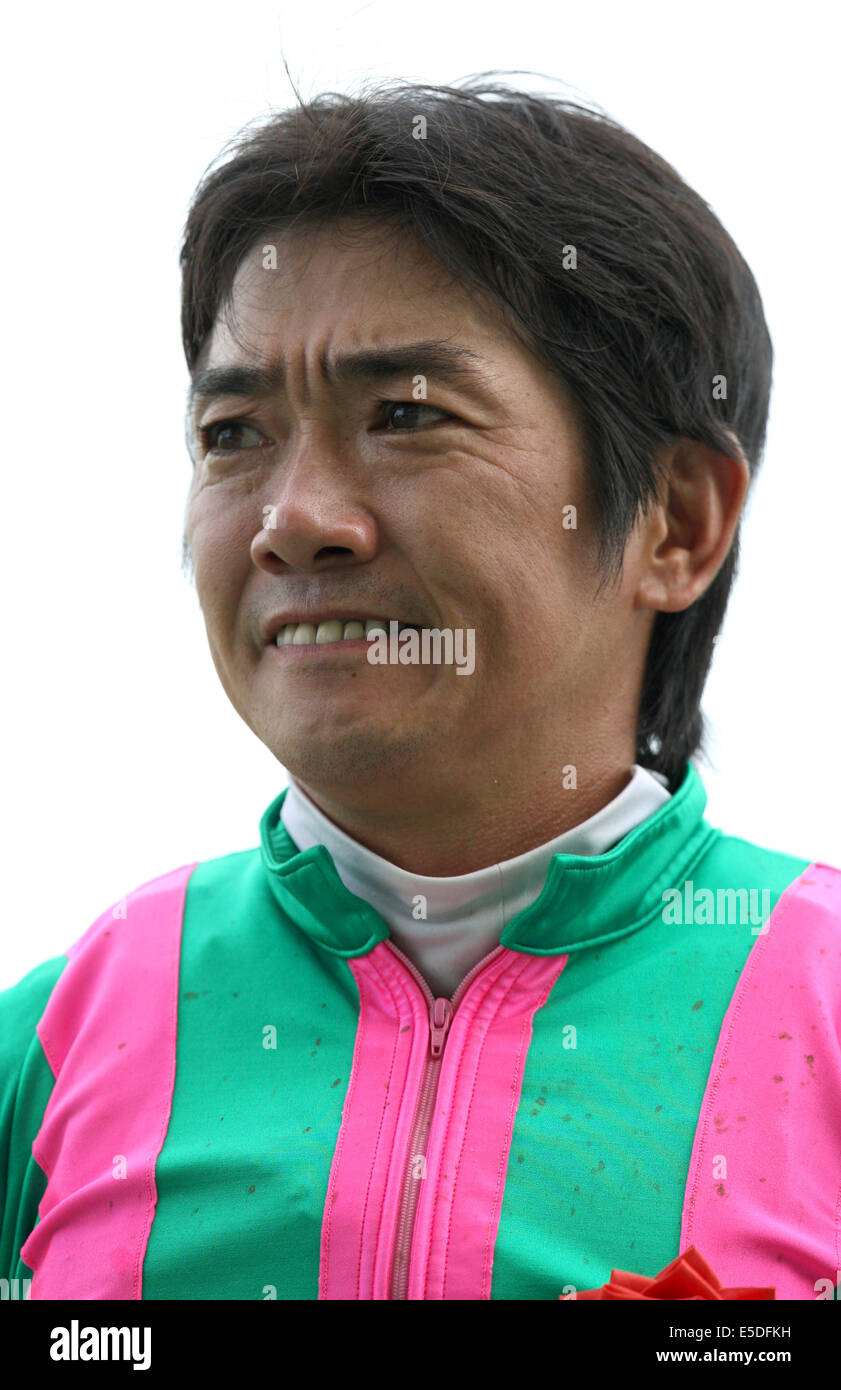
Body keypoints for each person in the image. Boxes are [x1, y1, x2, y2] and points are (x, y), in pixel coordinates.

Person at [2, 76, 838, 1303]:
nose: (293, 522)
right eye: (233, 433)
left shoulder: (816, 1007)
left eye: (404, 413)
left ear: (677, 521)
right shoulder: (57, 1038)